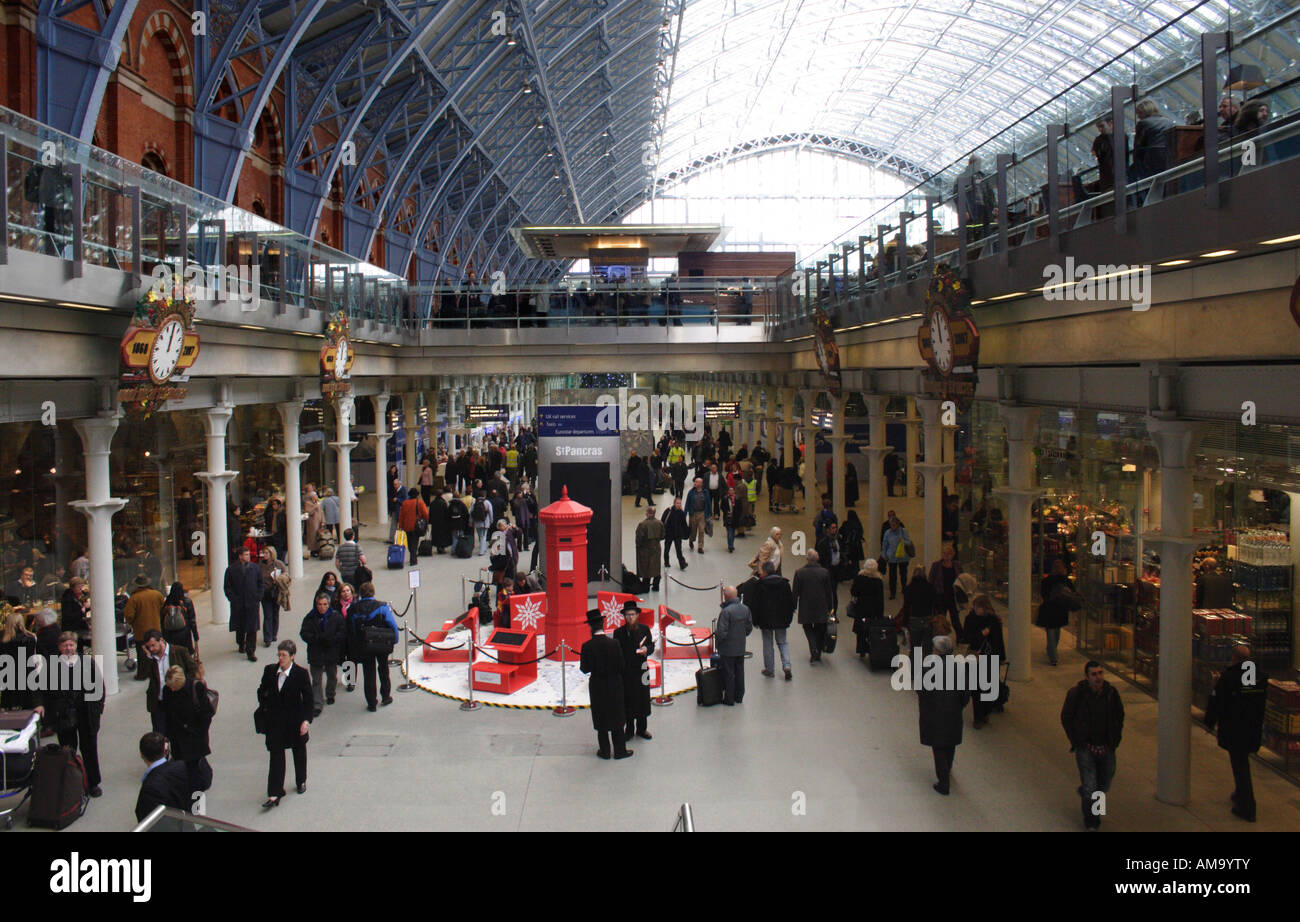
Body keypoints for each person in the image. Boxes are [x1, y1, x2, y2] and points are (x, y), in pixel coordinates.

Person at [35, 631, 104, 797]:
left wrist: (99, 708)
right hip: (64, 714)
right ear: (59, 647)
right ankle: (72, 782)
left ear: (75, 645)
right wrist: (43, 707)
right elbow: (42, 689)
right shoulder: (51, 666)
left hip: (86, 712)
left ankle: (93, 782)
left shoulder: (88, 662)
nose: (68, 648)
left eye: (71, 644)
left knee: (89, 748)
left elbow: (99, 686)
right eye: (65, 645)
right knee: (67, 749)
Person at [1204, 644, 1267, 823]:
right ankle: (1240, 794)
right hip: (1252, 729)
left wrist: (1209, 722)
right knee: (1241, 762)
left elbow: (1218, 700)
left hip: (1235, 730)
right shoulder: (1259, 677)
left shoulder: (1229, 677)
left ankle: (1247, 807)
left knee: (1240, 766)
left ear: (1234, 658)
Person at [1061, 661, 1125, 830]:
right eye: (1094, 674)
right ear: (1087, 677)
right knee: (1091, 786)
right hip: (1086, 748)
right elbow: (1066, 717)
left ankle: (1089, 797)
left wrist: (1115, 740)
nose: (1098, 677)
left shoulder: (1111, 694)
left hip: (1106, 747)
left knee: (1103, 785)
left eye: (1100, 673)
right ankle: (1093, 822)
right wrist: (1076, 740)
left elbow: (1119, 716)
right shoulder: (1077, 695)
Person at [256, 640, 313, 809]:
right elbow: (261, 691)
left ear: (292, 656)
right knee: (276, 756)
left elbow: (309, 700)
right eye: (279, 655)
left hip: (294, 721)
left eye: (284, 655)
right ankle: (275, 792)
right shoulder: (270, 671)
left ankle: (301, 780)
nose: (280, 658)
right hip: (275, 721)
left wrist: (306, 720)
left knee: (299, 751)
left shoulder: (301, 674)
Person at [918, 634, 969, 795]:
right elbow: (965, 693)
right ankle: (948, 768)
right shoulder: (960, 667)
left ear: (937, 651)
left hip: (934, 712)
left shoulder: (929, 668)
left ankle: (943, 781)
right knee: (950, 742)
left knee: (938, 745)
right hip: (953, 711)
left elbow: (921, 690)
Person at [579, 609, 632, 759]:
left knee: (600, 718)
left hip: (597, 686)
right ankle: (620, 750)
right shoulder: (614, 644)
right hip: (614, 684)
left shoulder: (587, 646)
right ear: (603, 624)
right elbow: (622, 665)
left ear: (590, 627)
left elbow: (584, 669)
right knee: (617, 717)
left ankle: (605, 751)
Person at [160, 663, 214, 796]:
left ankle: (194, 794)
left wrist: (198, 731)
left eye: (174, 687)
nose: (172, 689)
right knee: (182, 763)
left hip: (194, 736)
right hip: (177, 736)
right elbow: (166, 713)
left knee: (193, 766)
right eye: (169, 686)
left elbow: (207, 713)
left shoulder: (195, 688)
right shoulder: (167, 690)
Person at [348, 583, 400, 712]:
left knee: (368, 672)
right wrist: (395, 639)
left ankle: (371, 702)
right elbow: (392, 624)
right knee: (383, 668)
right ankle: (386, 696)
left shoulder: (354, 609)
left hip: (364, 645)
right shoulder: (382, 607)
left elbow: (352, 630)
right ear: (373, 592)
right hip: (381, 643)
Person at [612, 600, 655, 742]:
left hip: (642, 669)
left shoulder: (644, 629)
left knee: (643, 698)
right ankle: (629, 729)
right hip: (627, 672)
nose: (630, 618)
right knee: (628, 700)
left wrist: (646, 650)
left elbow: (650, 645)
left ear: (637, 615)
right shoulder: (618, 633)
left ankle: (642, 728)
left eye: (633, 615)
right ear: (624, 616)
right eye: (628, 615)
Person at [300, 591, 347, 715]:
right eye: (320, 604)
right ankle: (317, 704)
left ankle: (330, 693)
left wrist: (333, 640)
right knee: (316, 680)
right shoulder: (310, 618)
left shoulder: (336, 617)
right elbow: (304, 634)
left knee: (332, 675)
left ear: (328, 604)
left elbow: (342, 632)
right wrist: (316, 639)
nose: (322, 607)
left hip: (330, 652)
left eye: (325, 604)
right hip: (315, 653)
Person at [142, 629, 197, 735]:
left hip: (177, 700)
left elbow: (193, 670)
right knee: (159, 734)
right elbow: (145, 675)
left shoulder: (179, 651)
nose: (151, 649)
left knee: (177, 733)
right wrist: (148, 658)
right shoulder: (150, 657)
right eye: (148, 647)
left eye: (153, 645)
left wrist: (182, 684)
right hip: (159, 702)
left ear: (161, 640)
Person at [962, 594, 1005, 728]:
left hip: (991, 657)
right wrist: (982, 634)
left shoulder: (994, 621)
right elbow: (967, 638)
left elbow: (998, 641)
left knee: (988, 686)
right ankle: (978, 717)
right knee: (977, 688)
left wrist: (1001, 657)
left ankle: (984, 712)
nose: (975, 609)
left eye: (978, 607)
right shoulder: (971, 619)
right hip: (976, 657)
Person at [135, 732, 196, 823]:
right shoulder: (182, 767)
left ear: (141, 755)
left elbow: (149, 821)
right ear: (165, 751)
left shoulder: (150, 788)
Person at [750, 560, 794, 680]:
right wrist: (789, 618)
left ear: (764, 572)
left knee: (768, 643)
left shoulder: (760, 585)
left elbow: (755, 605)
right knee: (783, 642)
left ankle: (770, 669)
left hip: (766, 620)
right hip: (782, 619)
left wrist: (755, 621)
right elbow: (791, 603)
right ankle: (787, 665)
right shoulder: (785, 584)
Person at [793, 550, 835, 663]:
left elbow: (795, 592)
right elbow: (829, 592)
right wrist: (831, 608)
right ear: (818, 559)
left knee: (807, 626)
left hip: (806, 605)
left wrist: (793, 606)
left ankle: (813, 647)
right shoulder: (824, 572)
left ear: (807, 559)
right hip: (821, 605)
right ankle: (818, 651)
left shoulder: (800, 573)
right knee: (820, 628)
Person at [224, 546, 264, 662]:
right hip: (239, 604)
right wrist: (233, 599)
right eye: (246, 555)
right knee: (240, 627)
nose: (248, 556)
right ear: (240, 556)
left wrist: (258, 597)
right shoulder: (231, 570)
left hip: (252, 603)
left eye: (248, 554)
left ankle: (251, 651)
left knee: (252, 628)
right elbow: (227, 587)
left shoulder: (255, 568)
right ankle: (241, 643)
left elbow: (260, 583)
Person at [715, 585, 753, 705]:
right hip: (740, 647)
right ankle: (739, 696)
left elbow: (721, 632)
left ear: (725, 596)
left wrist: (718, 643)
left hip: (727, 648)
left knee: (729, 673)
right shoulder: (745, 609)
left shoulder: (726, 612)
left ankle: (729, 698)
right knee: (740, 671)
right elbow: (748, 627)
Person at [124, 574, 166, 680]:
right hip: (156, 628)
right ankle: (158, 671)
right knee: (158, 651)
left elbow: (129, 616)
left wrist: (133, 623)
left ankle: (142, 674)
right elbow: (163, 610)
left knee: (142, 655)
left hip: (141, 632)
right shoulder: (157, 594)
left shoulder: (134, 598)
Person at [1037, 559, 1077, 666]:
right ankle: (1053, 653)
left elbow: (1043, 594)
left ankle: (1052, 654)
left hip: (1049, 609)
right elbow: (1073, 593)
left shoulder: (1047, 580)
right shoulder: (1065, 581)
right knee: (1056, 631)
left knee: (1050, 631)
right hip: (1060, 609)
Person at [850, 559, 885, 658]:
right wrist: (880, 613)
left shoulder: (859, 578)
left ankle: (861, 649)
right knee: (871, 628)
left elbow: (853, 591)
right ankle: (871, 647)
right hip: (873, 609)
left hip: (861, 607)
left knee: (861, 629)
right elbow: (880, 598)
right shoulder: (878, 581)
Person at [900, 565, 937, 655]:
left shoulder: (909, 588)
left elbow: (906, 606)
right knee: (927, 646)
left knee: (915, 646)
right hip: (927, 618)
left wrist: (904, 622)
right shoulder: (930, 587)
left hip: (914, 618)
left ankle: (914, 667)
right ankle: (927, 666)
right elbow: (935, 604)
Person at [258, 545, 289, 648]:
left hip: (276, 593)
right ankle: (267, 638)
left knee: (275, 613)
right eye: (264, 553)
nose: (265, 555)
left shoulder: (279, 564)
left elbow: (287, 577)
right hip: (265, 593)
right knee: (267, 615)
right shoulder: (260, 566)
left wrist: (279, 579)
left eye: (267, 553)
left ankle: (274, 633)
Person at [928, 545, 964, 632]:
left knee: (955, 618)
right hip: (940, 596)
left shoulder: (957, 565)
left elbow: (962, 579)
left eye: (949, 554)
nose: (946, 556)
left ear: (953, 555)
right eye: (944, 553)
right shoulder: (936, 565)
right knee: (940, 618)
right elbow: (931, 580)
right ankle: (939, 633)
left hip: (953, 596)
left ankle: (960, 637)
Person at [161, 581, 200, 655]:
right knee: (185, 654)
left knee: (174, 655)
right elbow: (192, 620)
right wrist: (196, 636)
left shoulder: (167, 603)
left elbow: (162, 619)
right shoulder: (187, 602)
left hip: (170, 635)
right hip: (184, 633)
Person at [816, 521, 846, 616]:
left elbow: (841, 552)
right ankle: (826, 610)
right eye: (832, 528)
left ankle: (833, 612)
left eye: (835, 528)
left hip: (836, 570)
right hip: (826, 569)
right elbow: (819, 556)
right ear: (828, 529)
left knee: (833, 592)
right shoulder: (823, 541)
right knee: (827, 592)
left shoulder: (838, 540)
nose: (835, 530)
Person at [881, 515, 913, 599]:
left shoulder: (903, 531)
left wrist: (902, 540)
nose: (893, 526)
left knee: (903, 574)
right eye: (892, 525)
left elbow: (909, 542)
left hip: (903, 557)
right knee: (892, 576)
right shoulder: (887, 533)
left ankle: (904, 588)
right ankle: (892, 592)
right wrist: (884, 555)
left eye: (895, 524)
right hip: (892, 557)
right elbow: (884, 545)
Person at [634, 505, 664, 592]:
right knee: (656, 567)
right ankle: (656, 585)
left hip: (645, 549)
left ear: (647, 513)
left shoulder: (642, 525)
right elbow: (663, 535)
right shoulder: (659, 523)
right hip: (656, 548)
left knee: (646, 567)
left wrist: (639, 546)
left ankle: (646, 587)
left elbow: (639, 538)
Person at [398, 488, 429, 567]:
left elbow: (401, 516)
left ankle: (412, 555)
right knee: (415, 542)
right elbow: (425, 514)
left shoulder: (404, 503)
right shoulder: (420, 503)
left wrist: (400, 526)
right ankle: (413, 559)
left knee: (409, 542)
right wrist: (426, 523)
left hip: (407, 526)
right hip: (416, 526)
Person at [683, 476, 711, 552]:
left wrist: (709, 514)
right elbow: (687, 503)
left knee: (701, 530)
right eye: (695, 482)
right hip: (693, 513)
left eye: (697, 482)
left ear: (701, 484)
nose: (695, 483)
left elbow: (708, 503)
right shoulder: (691, 492)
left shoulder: (705, 492)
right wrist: (684, 514)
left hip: (702, 513)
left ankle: (700, 547)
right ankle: (691, 540)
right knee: (693, 530)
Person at [660, 498, 689, 570]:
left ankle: (682, 564)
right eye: (677, 503)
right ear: (674, 503)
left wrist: (686, 533)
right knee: (667, 549)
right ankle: (666, 562)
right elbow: (662, 521)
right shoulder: (668, 511)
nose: (679, 505)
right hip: (669, 534)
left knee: (679, 550)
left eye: (680, 503)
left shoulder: (682, 513)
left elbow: (684, 524)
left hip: (677, 534)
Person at [469, 492, 493, 556]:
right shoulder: (487, 502)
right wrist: (491, 520)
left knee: (480, 536)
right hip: (485, 522)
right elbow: (490, 512)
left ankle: (482, 547)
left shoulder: (474, 503)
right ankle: (482, 551)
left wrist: (471, 521)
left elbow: (471, 512)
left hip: (477, 522)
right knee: (484, 536)